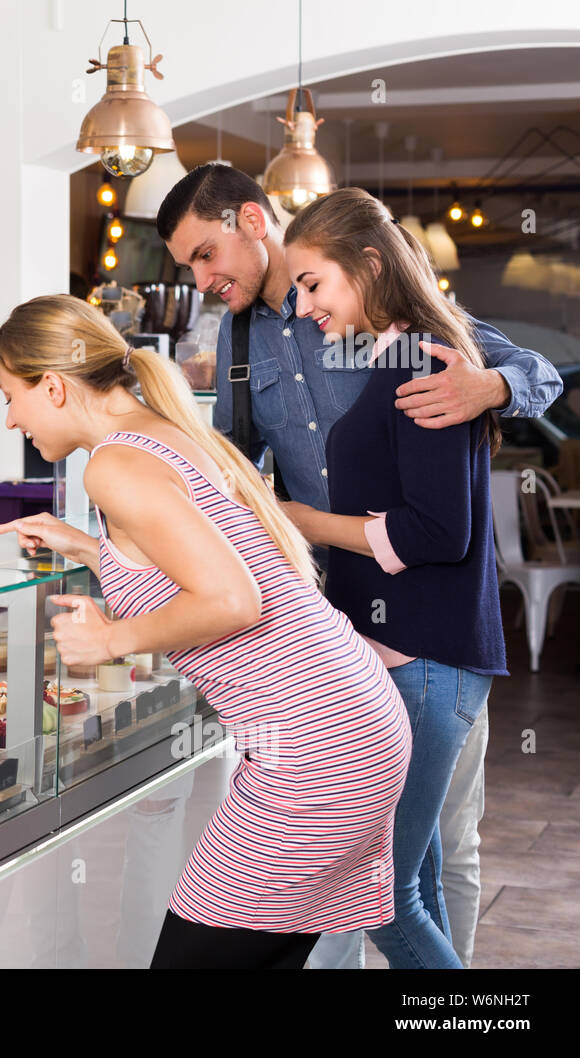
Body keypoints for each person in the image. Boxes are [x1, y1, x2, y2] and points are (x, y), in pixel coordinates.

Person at [156, 164, 561, 969]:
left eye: (207, 255)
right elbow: (239, 474)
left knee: (430, 849)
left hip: (433, 627)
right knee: (393, 869)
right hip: (347, 625)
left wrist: (486, 386)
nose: (203, 281)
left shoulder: (390, 322)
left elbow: (535, 378)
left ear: (250, 219)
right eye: (189, 269)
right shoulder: (238, 342)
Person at [0, 294, 411, 969]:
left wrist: (110, 640)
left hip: (316, 753)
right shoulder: (162, 431)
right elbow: (194, 565)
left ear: (54, 385)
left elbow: (233, 598)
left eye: (11, 395)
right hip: (353, 726)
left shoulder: (113, 467)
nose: (11, 416)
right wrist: (91, 550)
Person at [280, 187, 508, 968]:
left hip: (425, 664)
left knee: (383, 898)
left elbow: (438, 533)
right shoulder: (405, 356)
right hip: (418, 661)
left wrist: (300, 520)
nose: (304, 304)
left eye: (314, 283)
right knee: (422, 885)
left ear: (369, 265)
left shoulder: (421, 363)